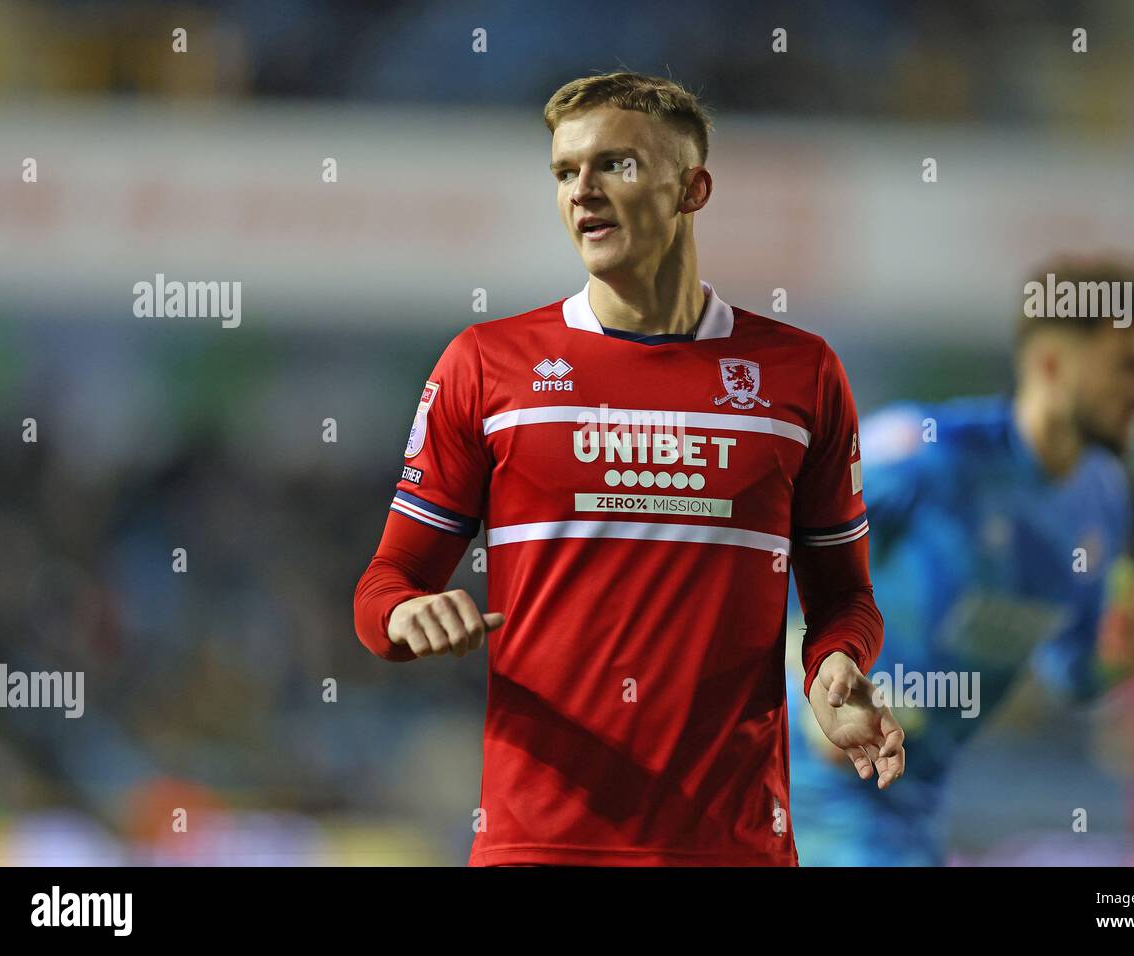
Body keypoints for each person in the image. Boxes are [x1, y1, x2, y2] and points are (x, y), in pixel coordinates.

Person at [353, 71, 903, 866]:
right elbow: (384, 586)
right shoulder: (485, 366)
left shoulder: (801, 374)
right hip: (538, 847)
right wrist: (407, 616)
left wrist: (834, 669)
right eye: (565, 171)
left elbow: (845, 599)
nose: (583, 190)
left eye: (616, 164)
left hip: (733, 847)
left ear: (693, 189)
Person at [787, 253, 1134, 865]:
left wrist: (1109, 663)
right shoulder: (927, 454)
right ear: (1051, 364)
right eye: (1129, 367)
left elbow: (1066, 669)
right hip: (808, 796)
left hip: (915, 804)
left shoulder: (1101, 501)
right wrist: (816, 678)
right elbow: (772, 546)